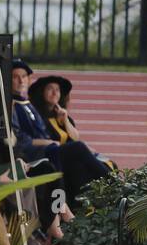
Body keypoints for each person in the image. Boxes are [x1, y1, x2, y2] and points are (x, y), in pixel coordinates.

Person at [10, 60, 110, 223]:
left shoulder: (27, 105)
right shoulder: (12, 105)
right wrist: (48, 143)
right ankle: (112, 182)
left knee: (79, 165)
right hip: (33, 154)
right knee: (76, 148)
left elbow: (72, 135)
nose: (21, 81)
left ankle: (88, 212)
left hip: (51, 150)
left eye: (24, 77)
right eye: (16, 77)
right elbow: (20, 139)